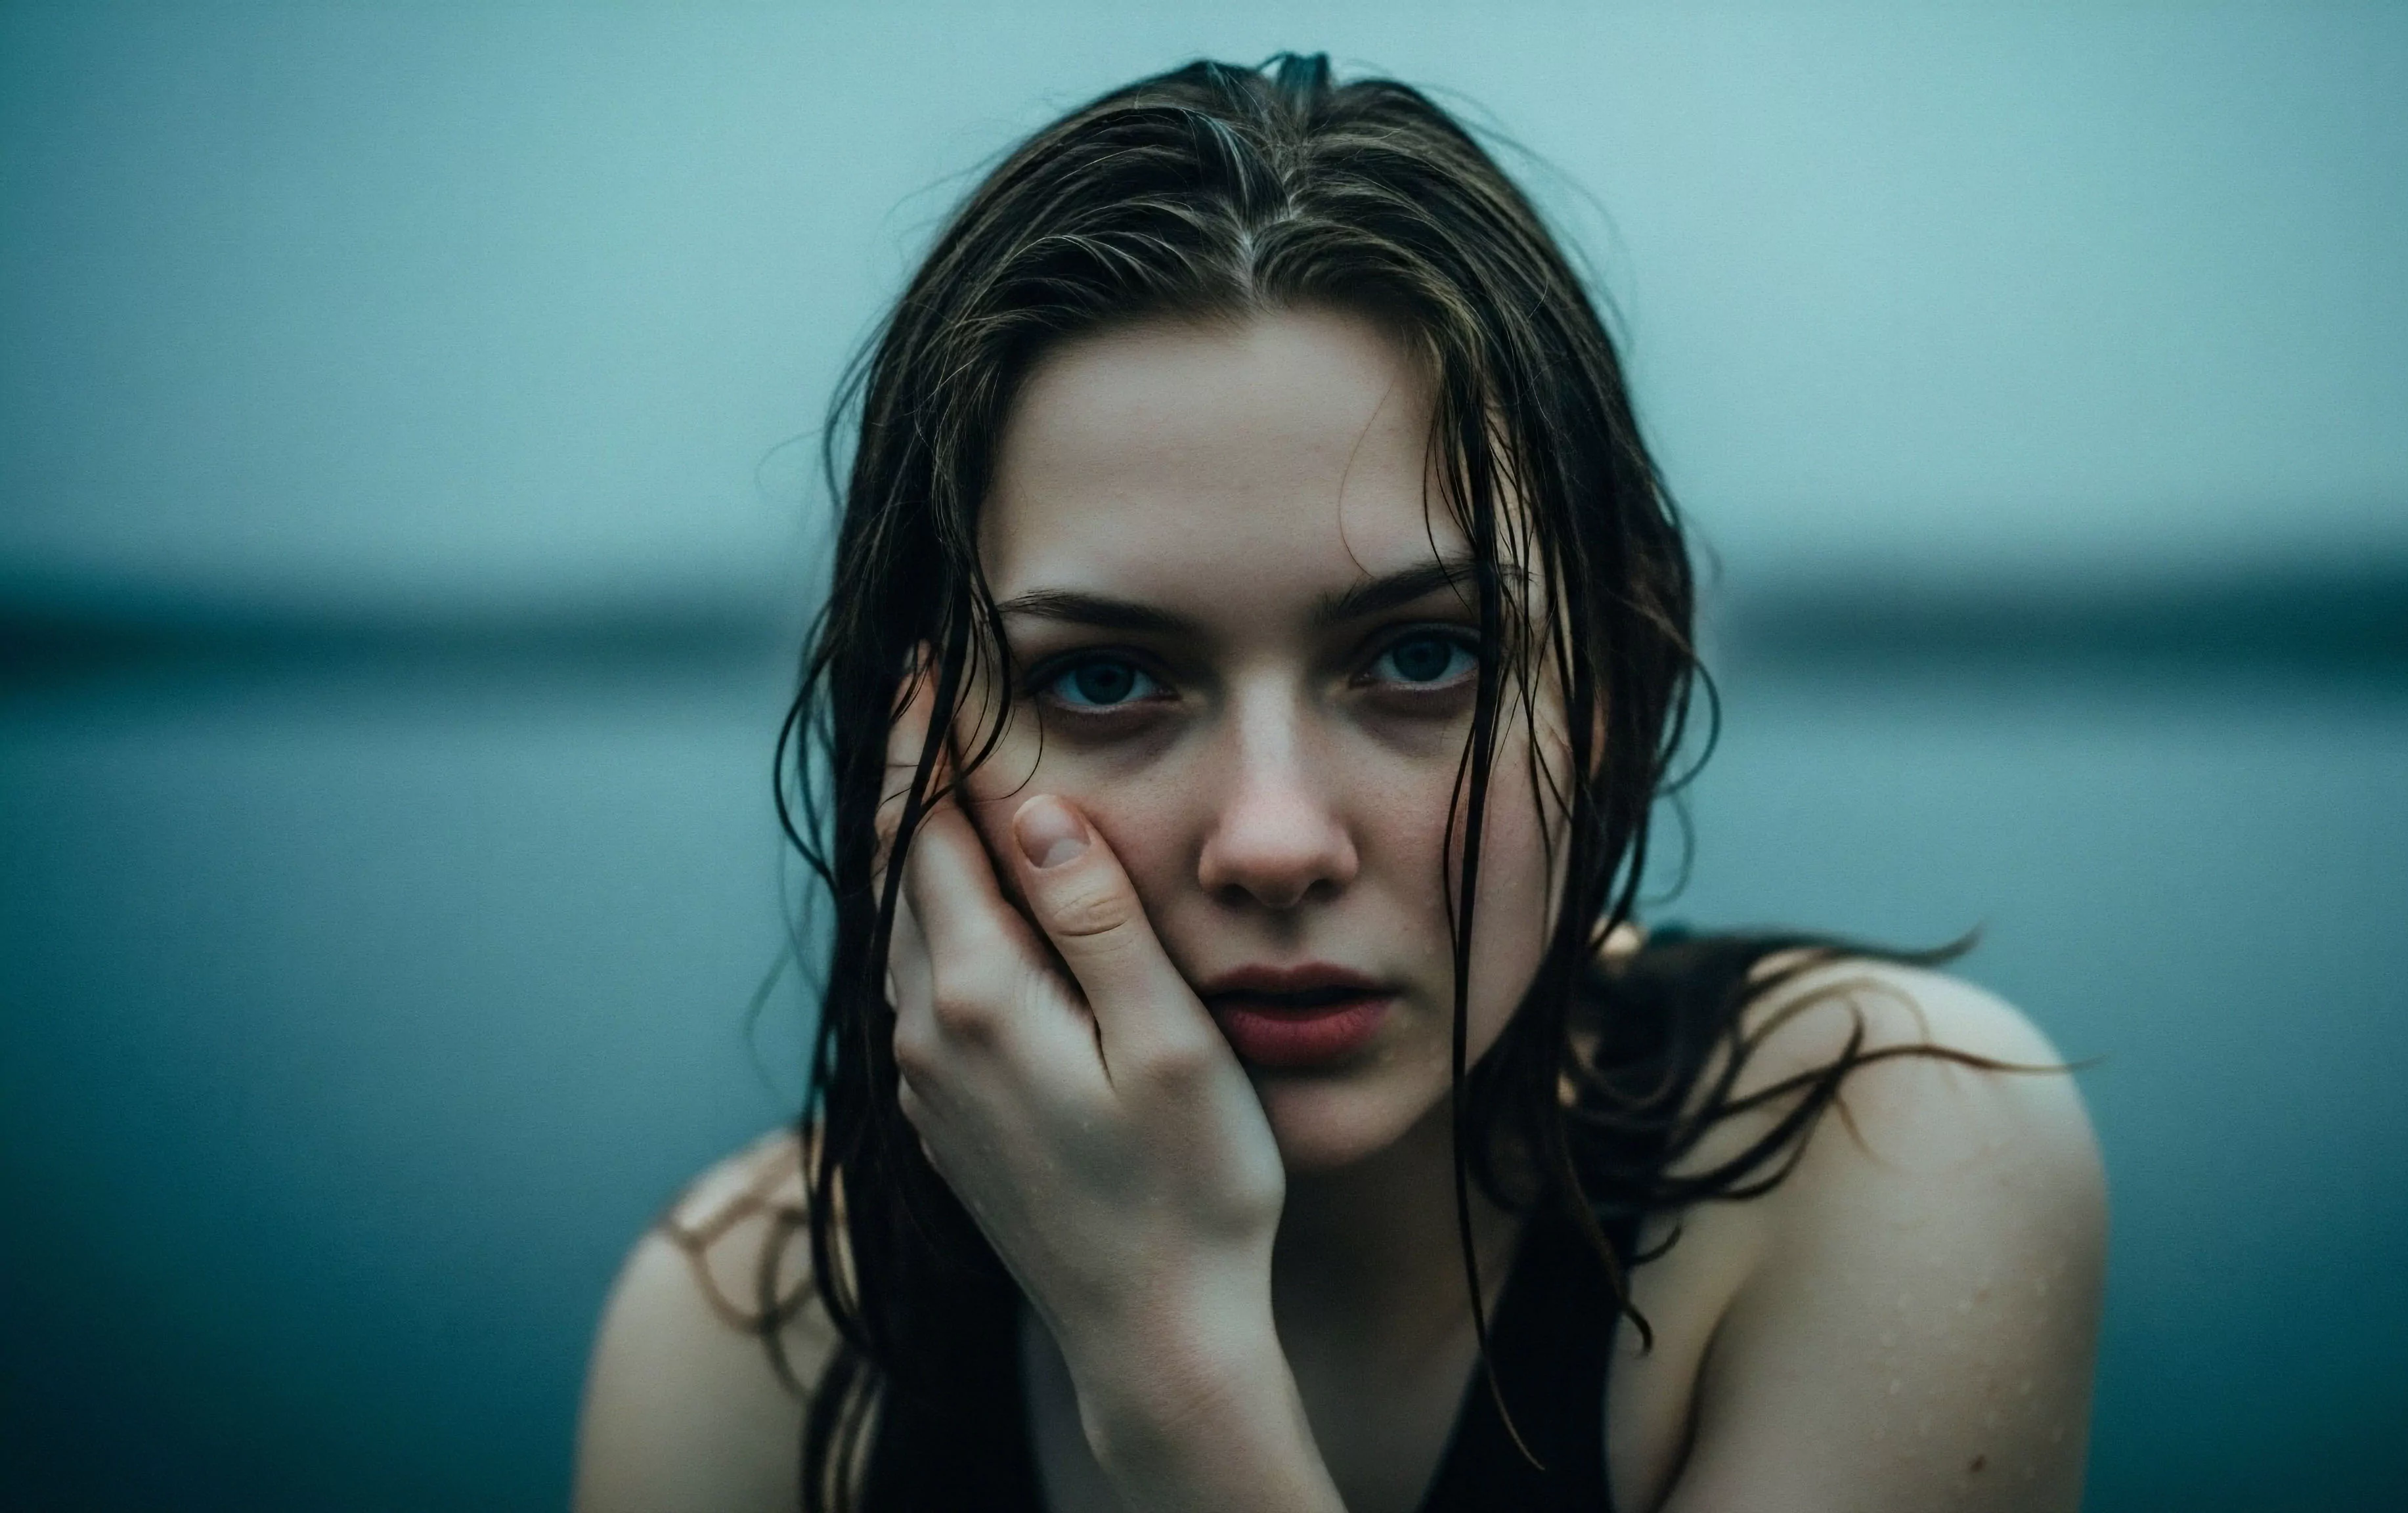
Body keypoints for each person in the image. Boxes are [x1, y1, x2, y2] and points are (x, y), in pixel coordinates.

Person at [572, 55, 2105, 1513]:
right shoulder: (748, 1331)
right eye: (1103, 679)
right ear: (925, 746)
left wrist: (1169, 1375)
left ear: (1608, 682)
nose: (1275, 841)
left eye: (1425, 658)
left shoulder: (1885, 1155)